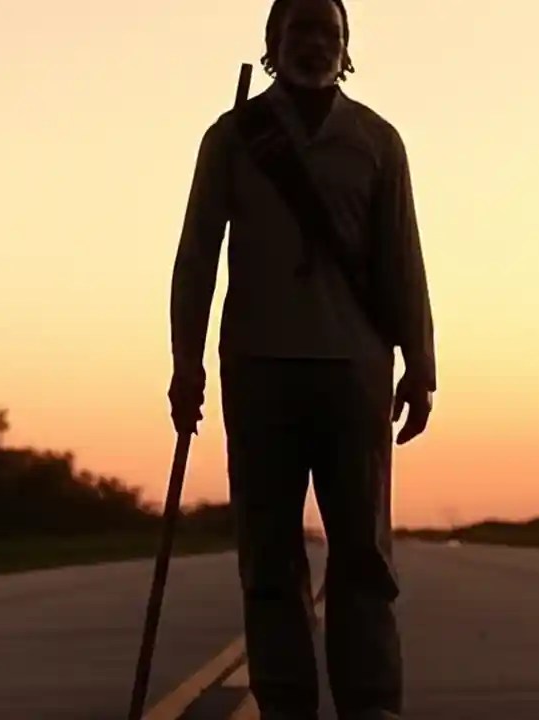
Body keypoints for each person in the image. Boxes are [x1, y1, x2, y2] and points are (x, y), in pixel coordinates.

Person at [167, 0, 436, 717]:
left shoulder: (376, 141)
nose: (315, 44)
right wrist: (185, 363)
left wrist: (421, 361)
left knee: (364, 556)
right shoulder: (232, 137)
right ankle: (285, 705)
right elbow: (196, 258)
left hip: (355, 370)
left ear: (346, 51)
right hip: (259, 370)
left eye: (329, 33)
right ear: (272, 44)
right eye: (300, 31)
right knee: (268, 558)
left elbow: (402, 257)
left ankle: (371, 705)